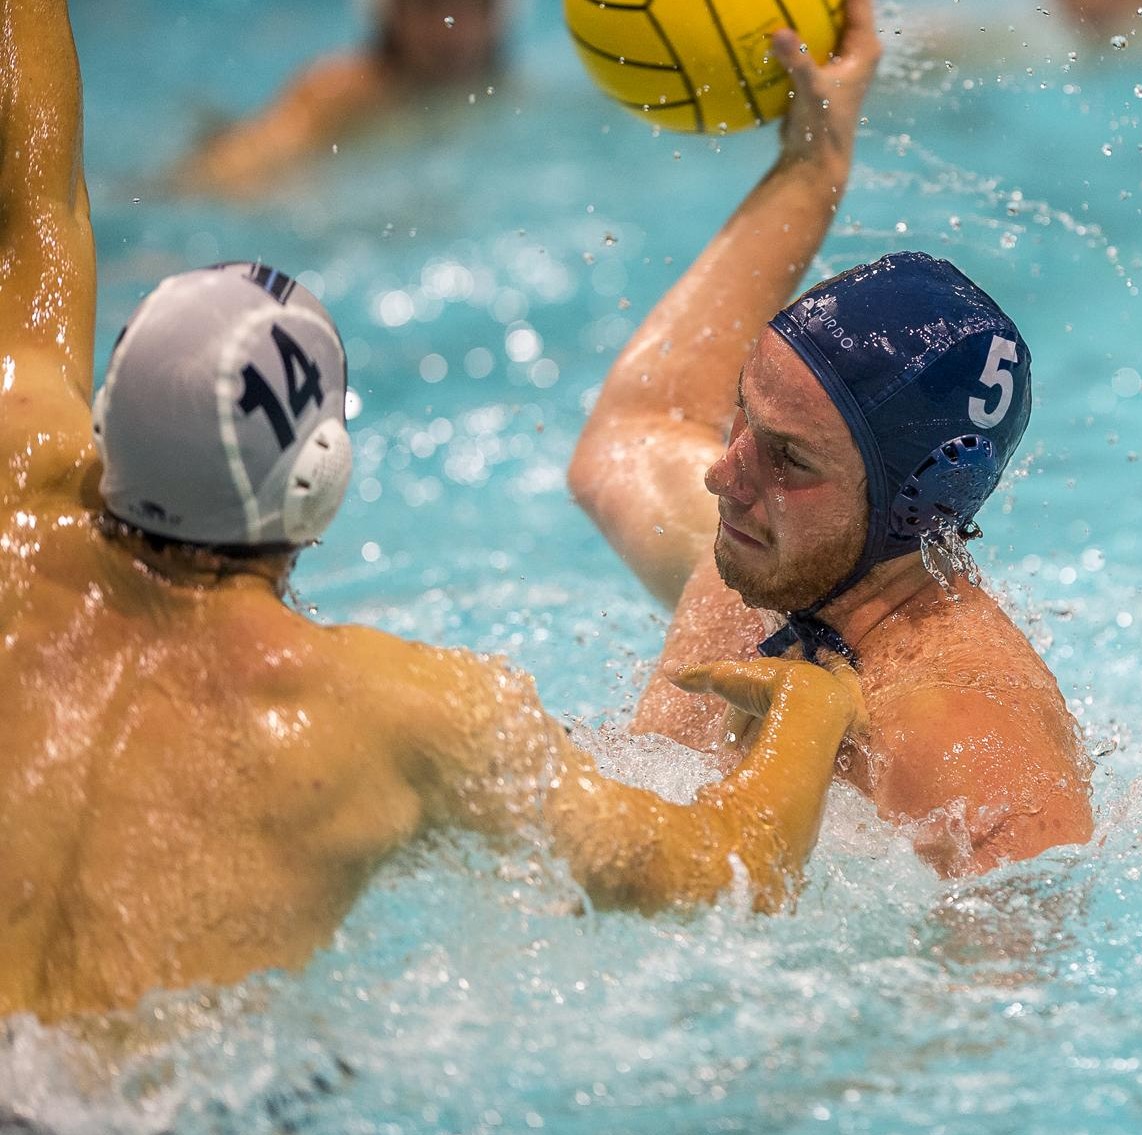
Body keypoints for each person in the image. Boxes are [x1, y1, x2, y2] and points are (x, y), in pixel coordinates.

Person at [0, 0, 860, 1023]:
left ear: (107, 424)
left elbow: (36, 211)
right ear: (319, 476)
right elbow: (727, 874)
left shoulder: (18, 504)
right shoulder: (405, 715)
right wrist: (812, 706)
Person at [567, 0, 1094, 879]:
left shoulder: (967, 747)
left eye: (788, 457)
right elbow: (624, 440)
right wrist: (814, 166)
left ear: (914, 501)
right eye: (743, 413)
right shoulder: (759, 569)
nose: (721, 472)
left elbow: (1021, 971)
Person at [175, 0, 504, 197]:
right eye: (429, 6)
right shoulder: (343, 91)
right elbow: (235, 173)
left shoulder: (501, 92)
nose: (453, 29)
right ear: (395, 15)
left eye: (473, 6)